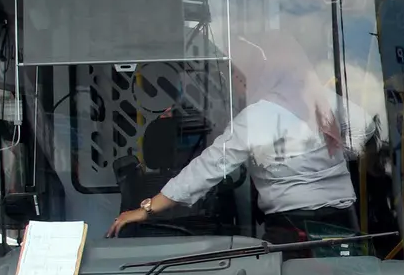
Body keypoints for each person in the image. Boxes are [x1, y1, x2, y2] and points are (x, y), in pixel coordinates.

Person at [107, 30, 386, 249]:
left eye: (239, 74)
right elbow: (369, 135)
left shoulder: (256, 118)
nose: (236, 82)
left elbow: (206, 169)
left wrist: (147, 208)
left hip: (296, 233)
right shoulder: (325, 102)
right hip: (344, 225)